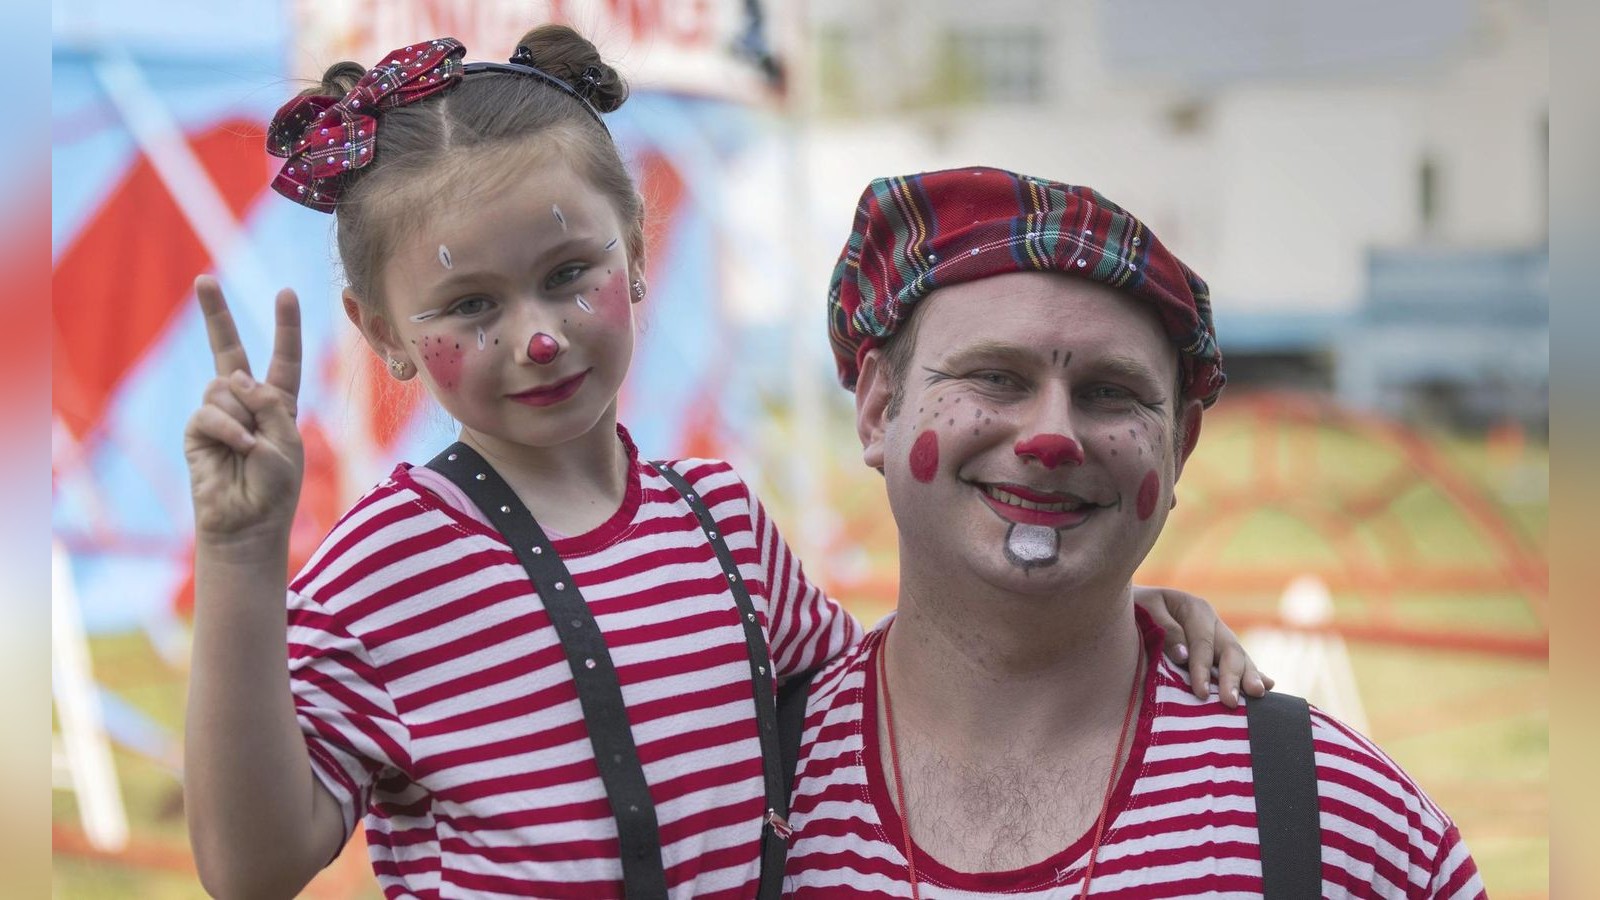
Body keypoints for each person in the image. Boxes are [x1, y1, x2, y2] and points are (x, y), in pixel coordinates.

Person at [180, 28, 1268, 899]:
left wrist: (1113, 619)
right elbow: (253, 868)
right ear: (383, 335)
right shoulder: (383, 570)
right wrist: (238, 556)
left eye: (569, 273)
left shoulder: (724, 527)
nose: (540, 334)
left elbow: (882, 705)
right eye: (473, 305)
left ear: (639, 256)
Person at [782, 167, 1487, 898]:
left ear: (1179, 446)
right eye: (995, 377)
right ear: (878, 408)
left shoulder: (1354, 834)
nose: (1051, 439)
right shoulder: (742, 786)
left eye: (1109, 393)